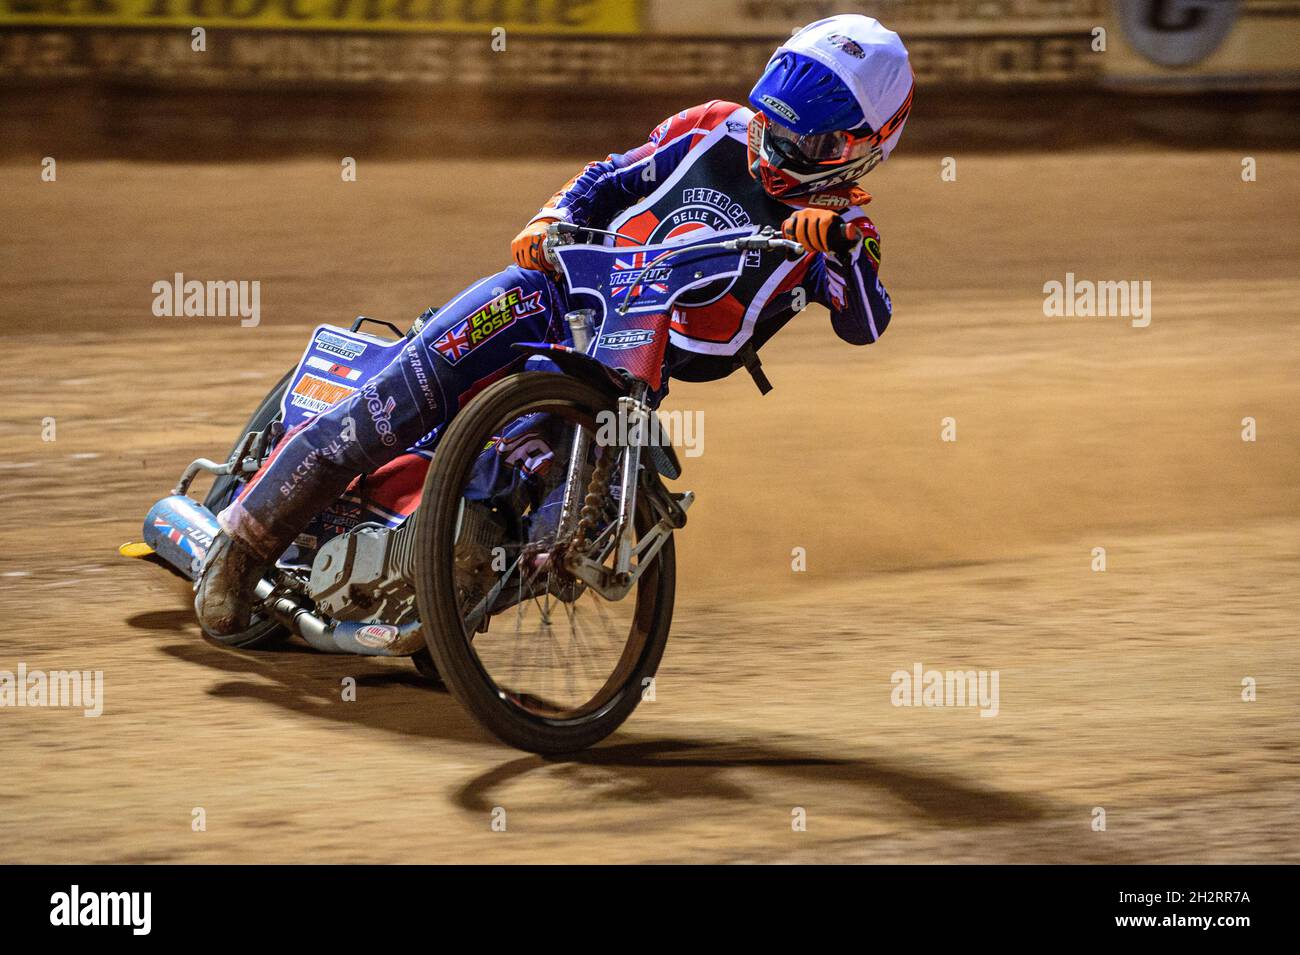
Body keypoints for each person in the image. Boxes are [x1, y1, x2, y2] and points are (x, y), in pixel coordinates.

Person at [196, 13, 914, 635]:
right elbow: (609, 177)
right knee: (389, 407)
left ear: (867, 146)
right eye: (771, 125)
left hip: (626, 372)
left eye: (808, 145)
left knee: (564, 533)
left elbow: (867, 325)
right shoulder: (708, 127)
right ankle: (240, 547)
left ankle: (446, 610)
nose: (777, 150)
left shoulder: (846, 228)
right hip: (546, 294)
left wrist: (843, 247)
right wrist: (552, 218)